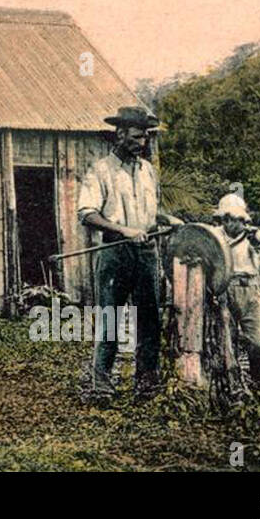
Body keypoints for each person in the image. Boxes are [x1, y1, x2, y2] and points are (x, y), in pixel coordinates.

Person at [77, 105, 179, 402]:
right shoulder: (101, 171)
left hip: (147, 254)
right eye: (136, 136)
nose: (142, 142)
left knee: (150, 320)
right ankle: (101, 387)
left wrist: (166, 220)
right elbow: (87, 214)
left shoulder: (148, 171)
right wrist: (123, 230)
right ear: (119, 135)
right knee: (110, 320)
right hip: (114, 253)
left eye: (145, 137)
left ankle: (147, 385)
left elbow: (151, 212)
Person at [215, 193, 260, 391]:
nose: (234, 223)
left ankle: (258, 384)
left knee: (257, 342)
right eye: (229, 219)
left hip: (249, 288)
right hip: (223, 289)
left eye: (239, 219)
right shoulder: (215, 235)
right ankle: (231, 387)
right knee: (226, 342)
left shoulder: (252, 235)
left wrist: (255, 239)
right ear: (223, 219)